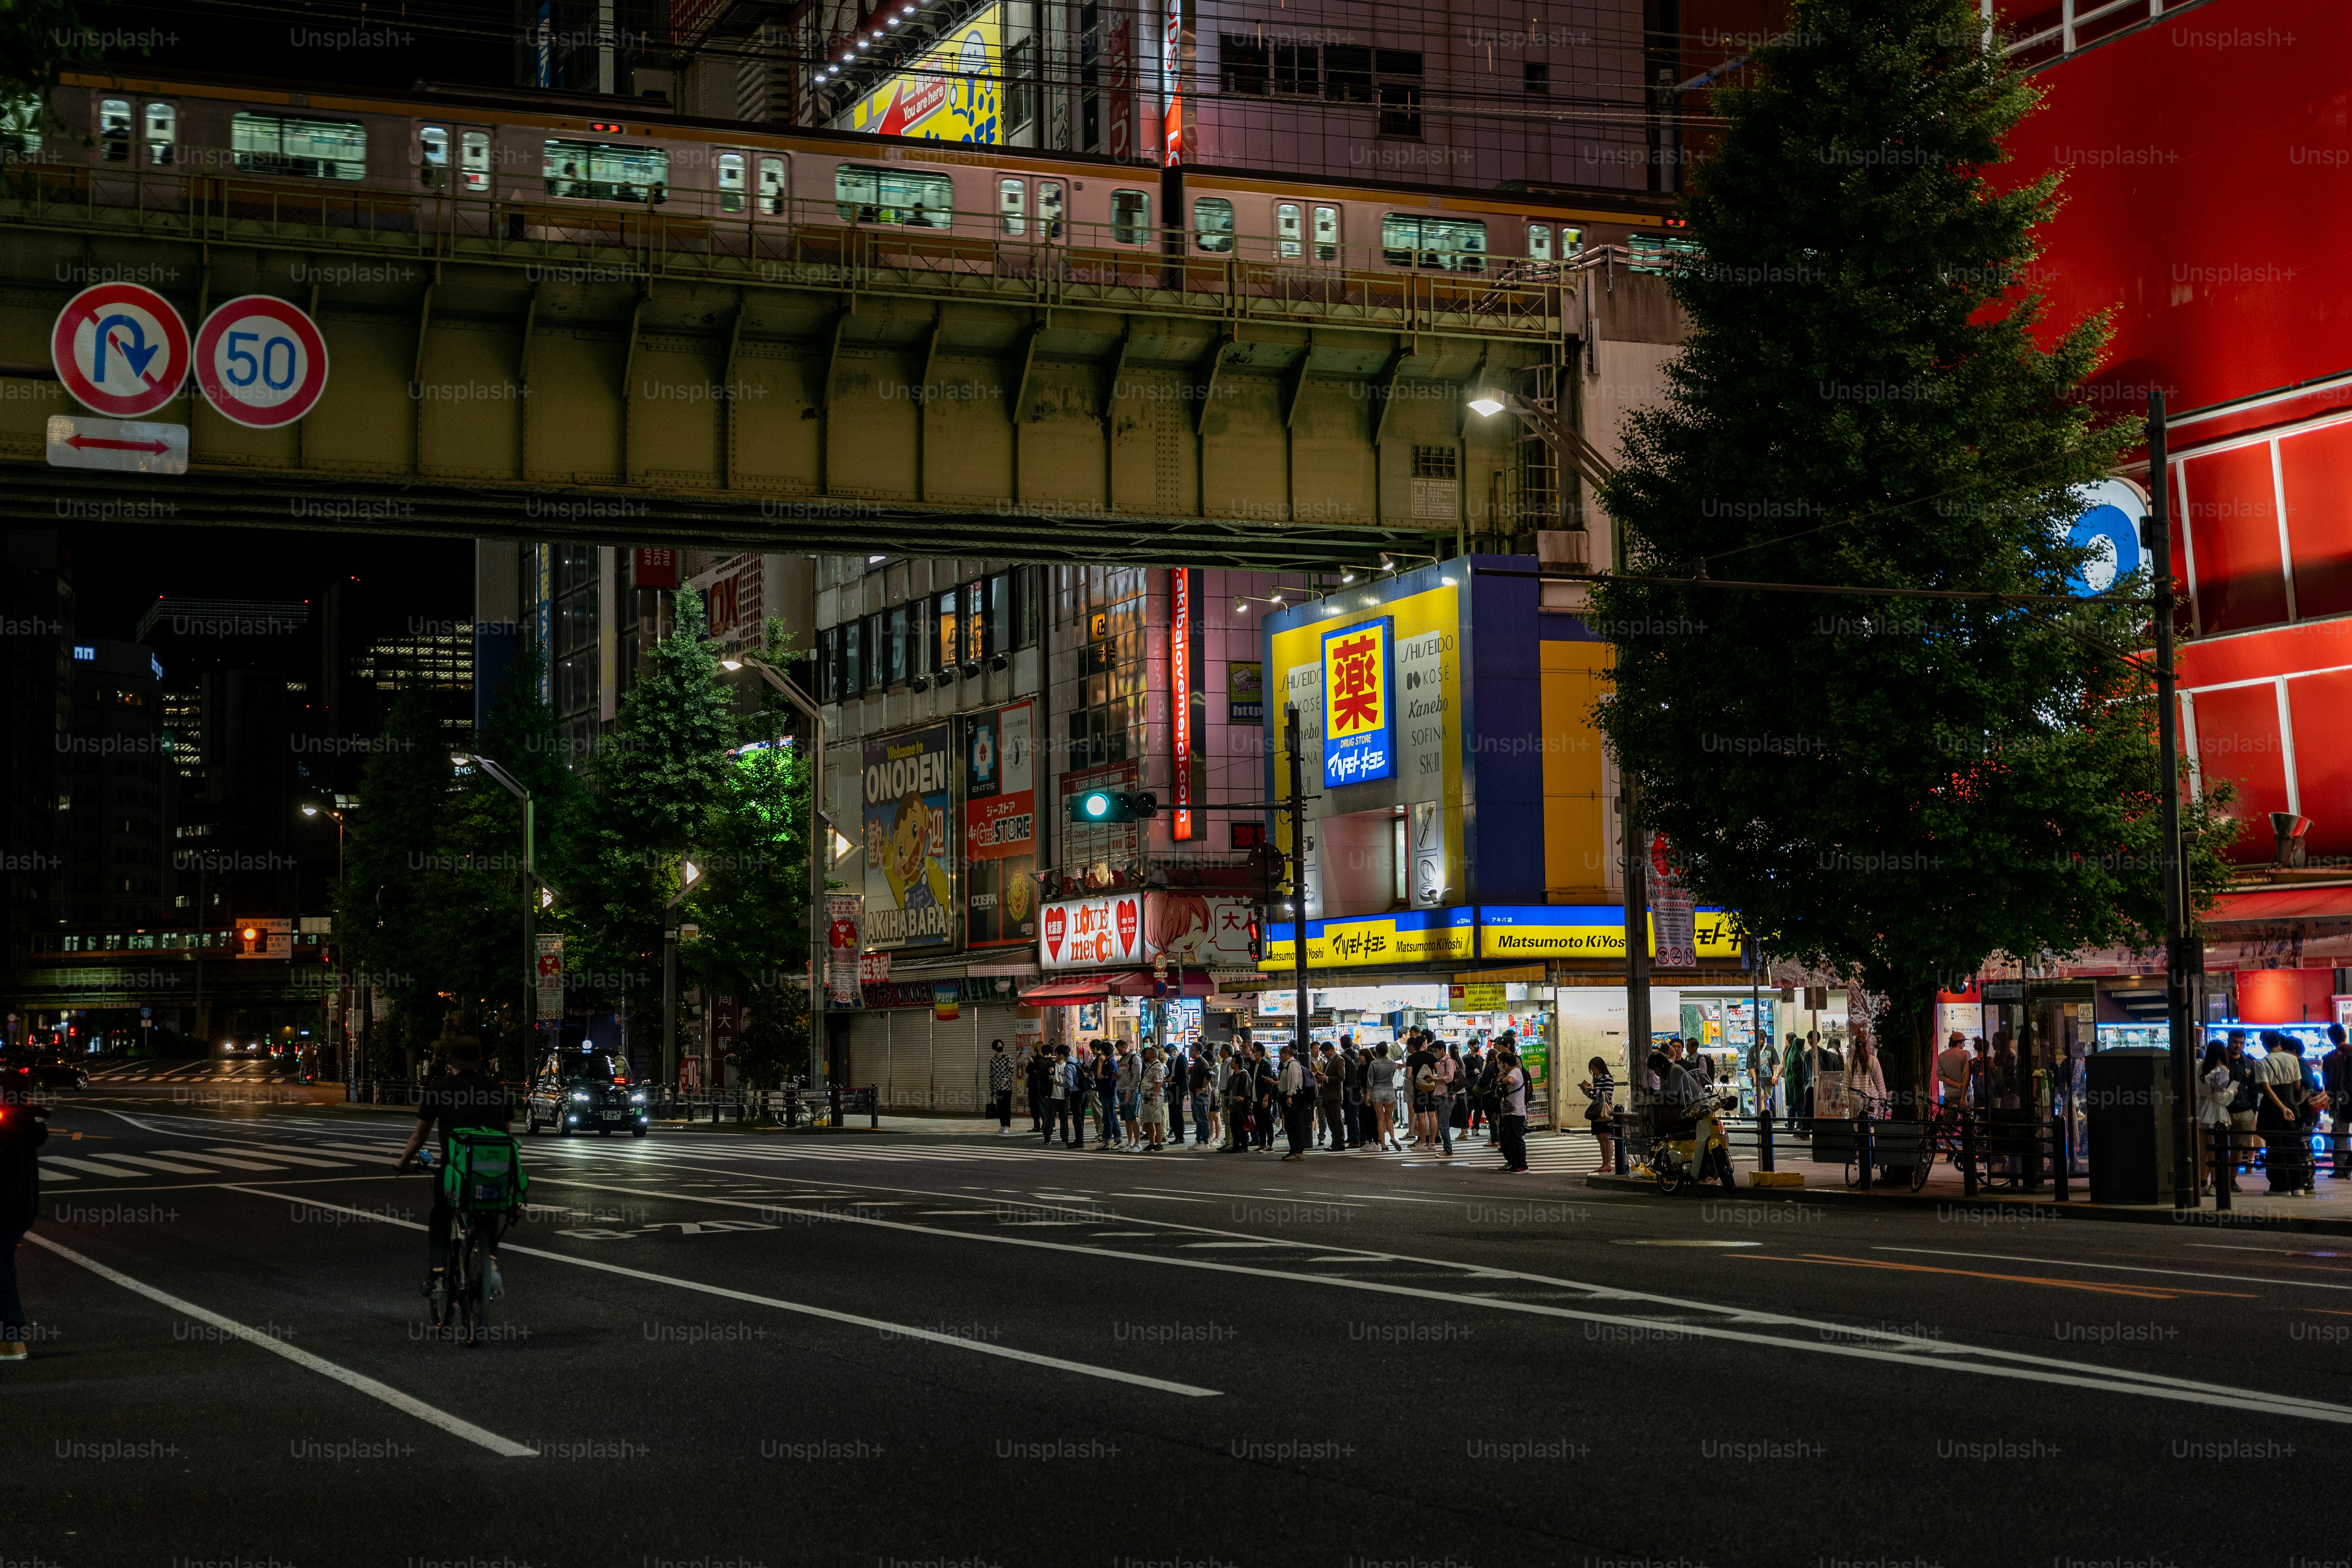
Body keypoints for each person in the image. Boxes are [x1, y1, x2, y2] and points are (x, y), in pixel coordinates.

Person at [393, 1036, 514, 1312]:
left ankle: (437, 1276)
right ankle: (491, 1263)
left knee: (441, 1215)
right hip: (494, 1171)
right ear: (480, 1061)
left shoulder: (440, 1088)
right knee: (488, 1211)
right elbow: (506, 1134)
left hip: (455, 1171)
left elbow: (419, 1136)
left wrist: (403, 1163)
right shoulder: (497, 1089)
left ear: (449, 1062)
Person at [0, 1061, 49, 1362]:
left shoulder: (8, 1127)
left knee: (2, 1275)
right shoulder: (24, 1123)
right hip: (19, 1213)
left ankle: (12, 1341)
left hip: (4, 1214)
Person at [2256, 1032, 2314, 1195]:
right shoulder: (2293, 1059)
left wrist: (2282, 1108)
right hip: (2290, 1102)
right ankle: (2298, 1187)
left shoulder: (2262, 1063)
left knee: (2276, 1146)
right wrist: (2289, 1105)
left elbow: (2267, 1089)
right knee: (2292, 1145)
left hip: (2272, 1107)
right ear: (2279, 1041)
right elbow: (2297, 1086)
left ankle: (2281, 1186)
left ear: (2264, 1044)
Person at [2194, 1038, 2236, 1193]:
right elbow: (2220, 1097)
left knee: (2202, 1151)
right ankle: (2216, 1184)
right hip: (2216, 1113)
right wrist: (2233, 1093)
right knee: (2216, 1151)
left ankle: (2202, 1183)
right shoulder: (2221, 1070)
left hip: (2201, 1110)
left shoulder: (2199, 1066)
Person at [2224, 1031, 2260, 1181]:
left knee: (2238, 1146)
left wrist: (2253, 1109)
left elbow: (2254, 1088)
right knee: (2219, 1146)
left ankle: (2232, 1179)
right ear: (2229, 1041)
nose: (2238, 1046)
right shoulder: (2222, 1061)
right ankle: (2216, 1179)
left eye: (2241, 1043)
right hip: (2224, 1109)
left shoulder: (2248, 1063)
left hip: (2245, 1110)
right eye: (2235, 1042)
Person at [1494, 1048, 1531, 1173]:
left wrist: (1503, 1080)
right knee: (1509, 1139)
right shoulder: (1510, 1072)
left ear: (1506, 1064)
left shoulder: (1515, 1072)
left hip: (1516, 1112)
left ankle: (1523, 1166)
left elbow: (1510, 1081)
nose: (1501, 1065)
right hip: (1509, 1112)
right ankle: (1514, 1163)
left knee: (1516, 1139)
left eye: (1501, 1063)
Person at [2323, 1025, 2352, 1180]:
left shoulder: (2330, 1059)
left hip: (2341, 1101)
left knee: (2341, 1135)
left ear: (2331, 1039)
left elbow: (2328, 1084)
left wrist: (2330, 1103)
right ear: (2344, 1035)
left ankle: (2342, 1169)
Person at [1579, 1056, 1617, 1172]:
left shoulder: (1608, 1079)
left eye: (1595, 1068)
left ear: (1601, 1067)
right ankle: (1604, 1164)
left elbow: (1607, 1096)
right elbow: (1595, 1097)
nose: (1594, 1071)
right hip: (1597, 1112)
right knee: (1600, 1138)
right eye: (1592, 1069)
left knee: (1606, 1137)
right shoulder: (1596, 1080)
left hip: (1605, 1111)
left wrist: (1594, 1090)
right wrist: (1586, 1092)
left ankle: (1608, 1164)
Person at [1838, 1033, 1887, 1120]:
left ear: (1855, 1046)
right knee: (1870, 1125)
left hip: (1855, 1099)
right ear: (1866, 1045)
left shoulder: (1851, 1061)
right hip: (1871, 1098)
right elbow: (1880, 1082)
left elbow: (1846, 1082)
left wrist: (1845, 1099)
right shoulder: (1873, 1061)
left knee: (1857, 1125)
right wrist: (1883, 1098)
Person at [1278, 1044, 1314, 1160]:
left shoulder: (1293, 1065)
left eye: (1281, 1055)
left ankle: (1298, 1151)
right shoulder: (1287, 1066)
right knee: (1289, 1125)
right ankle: (1293, 1150)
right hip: (1288, 1096)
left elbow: (1293, 1082)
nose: (1280, 1057)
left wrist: (1289, 1096)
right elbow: (1286, 1082)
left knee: (1295, 1124)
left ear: (1287, 1054)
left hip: (1293, 1097)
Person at [1366, 1043, 1400, 1151]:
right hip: (1390, 1090)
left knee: (1381, 1119)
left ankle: (1384, 1145)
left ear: (1378, 1052)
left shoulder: (1374, 1064)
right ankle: (1393, 1137)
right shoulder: (1392, 1064)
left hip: (1377, 1091)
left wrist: (1368, 1095)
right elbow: (1392, 1075)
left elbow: (1370, 1080)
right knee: (1389, 1118)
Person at [1934, 1031, 1973, 1120]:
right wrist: (1963, 1096)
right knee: (1967, 1125)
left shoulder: (1942, 1056)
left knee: (1949, 1126)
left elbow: (1940, 1076)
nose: (1964, 1045)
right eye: (1964, 1042)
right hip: (1966, 1095)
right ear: (1959, 1043)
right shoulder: (1966, 1054)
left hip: (1950, 1096)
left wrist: (1957, 1085)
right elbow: (1967, 1076)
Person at [1315, 1043, 1347, 1150]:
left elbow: (1341, 1077)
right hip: (1327, 1095)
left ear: (1330, 1051)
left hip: (1335, 1095)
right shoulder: (1329, 1061)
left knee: (1337, 1120)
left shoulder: (1339, 1060)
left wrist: (1327, 1079)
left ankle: (1340, 1143)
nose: (1324, 1056)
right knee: (1331, 1121)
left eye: (1325, 1053)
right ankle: (1335, 1142)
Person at [1138, 1046, 1167, 1152]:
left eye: (1147, 1053)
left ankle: (1159, 1143)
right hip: (1147, 1096)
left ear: (1151, 1054)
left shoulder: (1158, 1066)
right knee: (1149, 1120)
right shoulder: (1150, 1066)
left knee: (1157, 1120)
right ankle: (1152, 1143)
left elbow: (1159, 1083)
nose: (1145, 1055)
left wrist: (1154, 1097)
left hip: (1154, 1096)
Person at [1044, 1045, 1074, 1147]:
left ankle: (1065, 1138)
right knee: (1049, 1118)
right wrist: (1049, 1073)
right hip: (1052, 1096)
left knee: (1064, 1118)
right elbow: (1042, 1076)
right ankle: (1047, 1138)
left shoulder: (1068, 1066)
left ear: (1061, 1055)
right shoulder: (1050, 1065)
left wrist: (1070, 1094)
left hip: (1064, 1097)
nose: (1055, 1056)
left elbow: (1072, 1082)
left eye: (1057, 1054)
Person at [1094, 1045, 1122, 1151]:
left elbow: (1100, 1076)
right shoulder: (1111, 1062)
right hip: (1108, 1094)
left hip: (1109, 1095)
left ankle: (1106, 1141)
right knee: (1113, 1118)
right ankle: (1119, 1140)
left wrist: (1100, 1063)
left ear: (1103, 1052)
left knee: (1107, 1119)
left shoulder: (1110, 1063)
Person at [988, 1040, 1015, 1135]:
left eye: (1001, 1045)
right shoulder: (993, 1060)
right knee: (1000, 1107)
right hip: (997, 1088)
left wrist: (1005, 1079)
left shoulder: (1008, 1058)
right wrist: (992, 1089)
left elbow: (1011, 1071)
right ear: (995, 1048)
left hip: (1007, 1088)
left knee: (1007, 1107)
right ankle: (1002, 1126)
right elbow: (991, 1075)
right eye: (998, 1046)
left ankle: (1007, 1126)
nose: (1000, 1047)